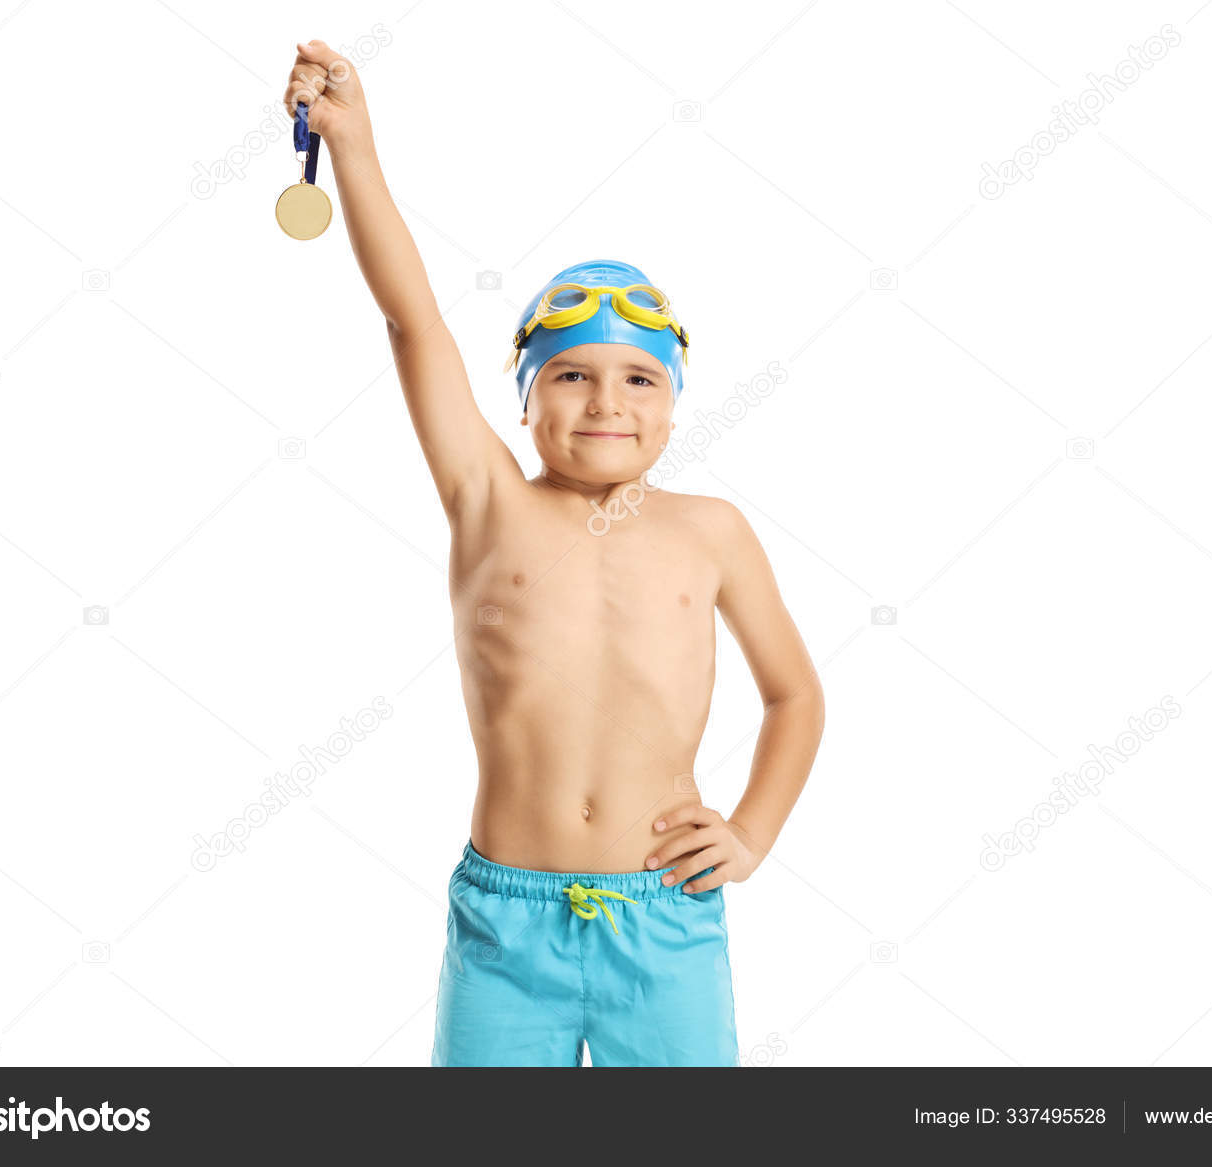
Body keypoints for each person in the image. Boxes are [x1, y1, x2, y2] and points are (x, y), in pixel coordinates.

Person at [284, 40, 825, 1067]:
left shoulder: (711, 531)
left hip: (664, 918)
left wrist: (749, 833)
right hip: (507, 923)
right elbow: (412, 320)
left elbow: (795, 696)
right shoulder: (489, 502)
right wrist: (352, 145)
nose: (606, 403)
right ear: (523, 398)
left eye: (638, 380)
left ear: (673, 407)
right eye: (571, 376)